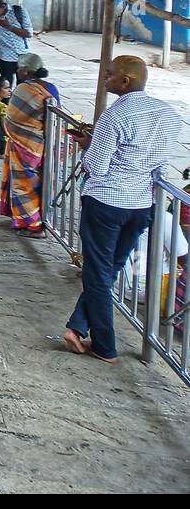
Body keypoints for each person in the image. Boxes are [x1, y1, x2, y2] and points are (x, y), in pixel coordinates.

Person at [63, 55, 183, 363]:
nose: (105, 79)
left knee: (97, 272)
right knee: (109, 269)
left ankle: (105, 344)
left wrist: (88, 147)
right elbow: (153, 161)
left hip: (107, 202)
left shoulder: (114, 116)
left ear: (125, 81)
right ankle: (77, 326)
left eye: (110, 75)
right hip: (141, 204)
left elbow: (97, 166)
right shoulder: (168, 114)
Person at [0, 53, 58, 236]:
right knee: (39, 182)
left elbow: (13, 119)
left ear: (24, 71)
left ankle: (33, 225)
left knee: (24, 185)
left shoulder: (23, 88)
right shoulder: (51, 88)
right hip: (42, 144)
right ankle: (36, 219)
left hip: (25, 144)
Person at [0, 0, 32, 84]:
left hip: (23, 55)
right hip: (5, 57)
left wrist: (9, 27)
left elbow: (28, 33)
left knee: (23, 87)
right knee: (5, 86)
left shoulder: (19, 12)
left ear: (3, 6)